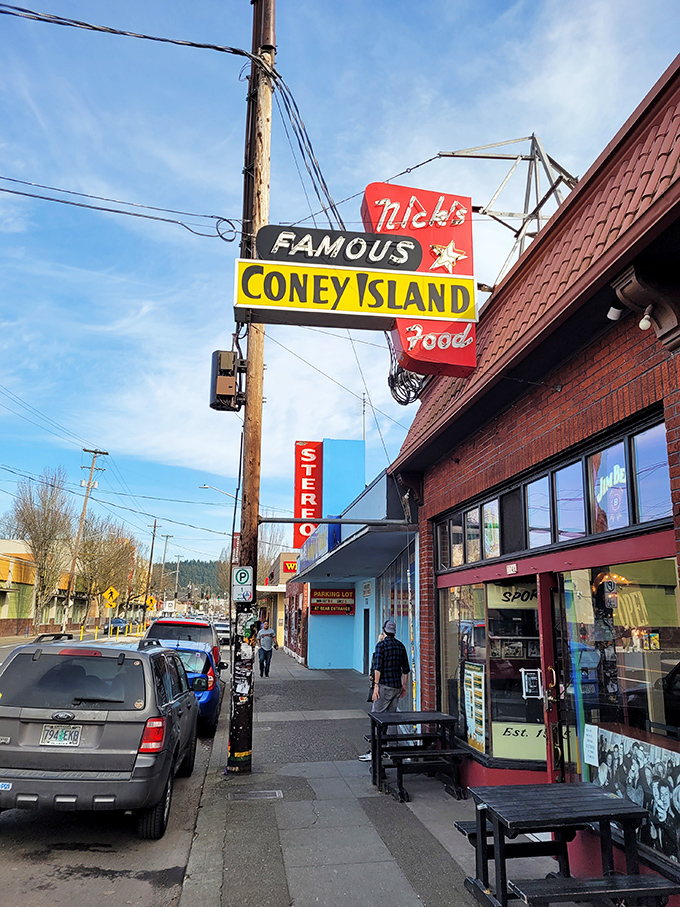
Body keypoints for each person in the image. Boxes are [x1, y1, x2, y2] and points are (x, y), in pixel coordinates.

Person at [358, 632, 384, 762]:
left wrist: (376, 685)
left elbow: (376, 668)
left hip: (383, 687)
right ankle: (389, 746)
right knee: (391, 717)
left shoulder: (379, 650)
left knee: (377, 716)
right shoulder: (399, 647)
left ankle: (375, 750)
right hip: (395, 687)